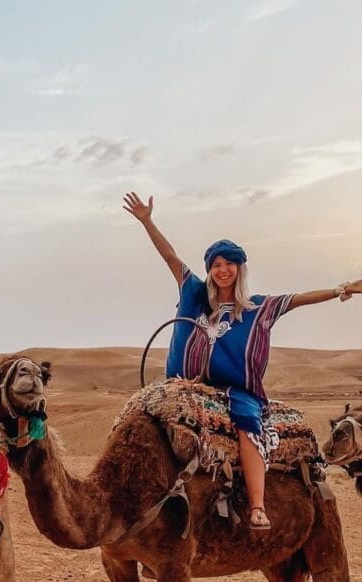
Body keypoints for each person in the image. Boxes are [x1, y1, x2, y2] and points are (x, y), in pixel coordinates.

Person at [123, 191, 362, 530]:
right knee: (143, 423)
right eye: (216, 265)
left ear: (239, 268)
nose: (222, 270)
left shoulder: (258, 308)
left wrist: (343, 289)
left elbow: (298, 299)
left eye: (229, 264)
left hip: (237, 389)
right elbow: (170, 257)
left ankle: (258, 506)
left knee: (247, 427)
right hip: (186, 386)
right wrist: (147, 221)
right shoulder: (193, 295)